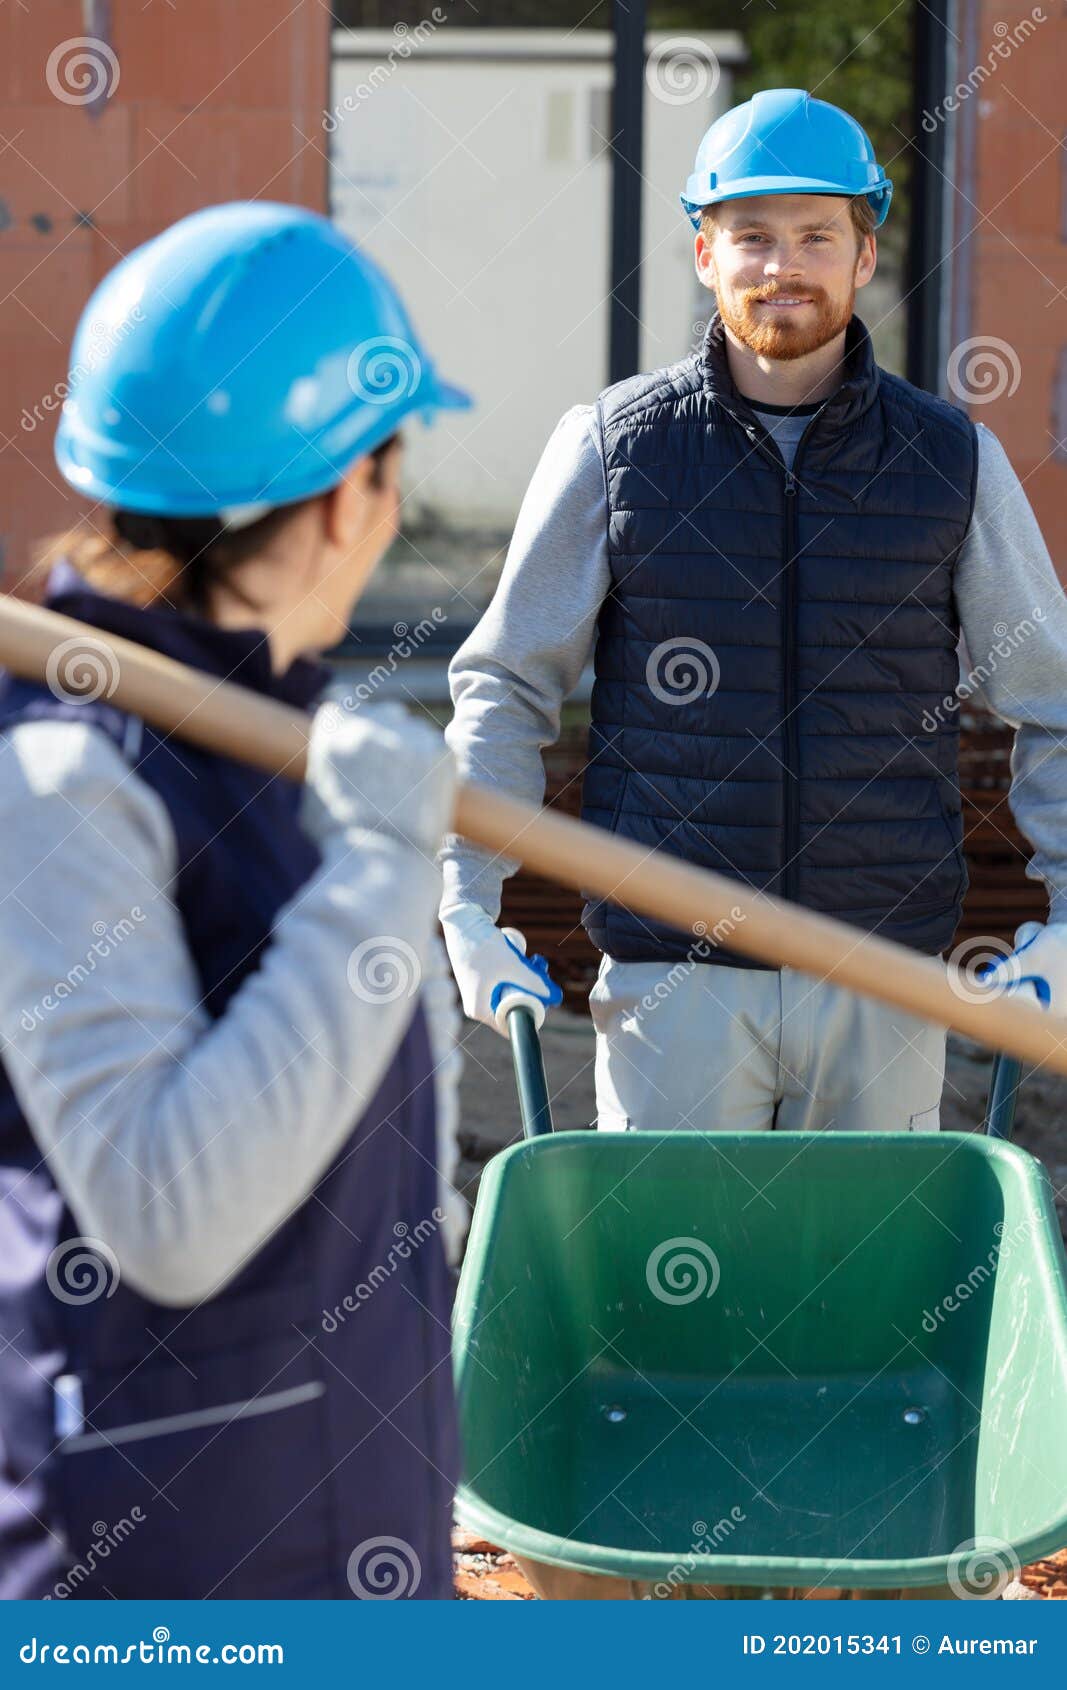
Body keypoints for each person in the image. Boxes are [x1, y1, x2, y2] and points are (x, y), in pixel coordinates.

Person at [440, 88, 1067, 1135]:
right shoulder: (613, 447)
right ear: (702, 253)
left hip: (884, 980)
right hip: (670, 985)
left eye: (816, 235)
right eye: (752, 237)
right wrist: (465, 897)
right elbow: (505, 679)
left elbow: (1051, 698)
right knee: (672, 1299)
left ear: (863, 258)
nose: (783, 267)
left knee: (863, 1298)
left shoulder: (948, 460)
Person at [0, 201, 470, 1599]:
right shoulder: (59, 777)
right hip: (167, 1561)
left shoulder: (285, 744)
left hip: (350, 1511)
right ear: (348, 498)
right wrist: (385, 874)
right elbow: (167, 1206)